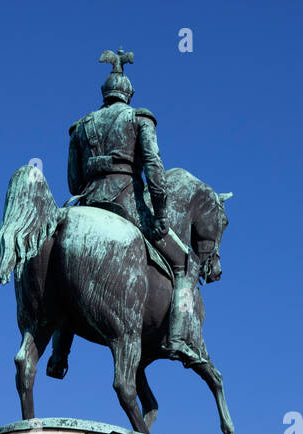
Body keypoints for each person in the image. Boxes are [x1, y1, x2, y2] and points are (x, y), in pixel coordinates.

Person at [62, 48, 201, 369]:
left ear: (105, 94)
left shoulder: (80, 126)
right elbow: (153, 166)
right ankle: (178, 338)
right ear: (128, 94)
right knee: (185, 262)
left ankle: (59, 353)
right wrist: (161, 214)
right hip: (126, 200)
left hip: (85, 199)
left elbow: (72, 181)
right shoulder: (140, 118)